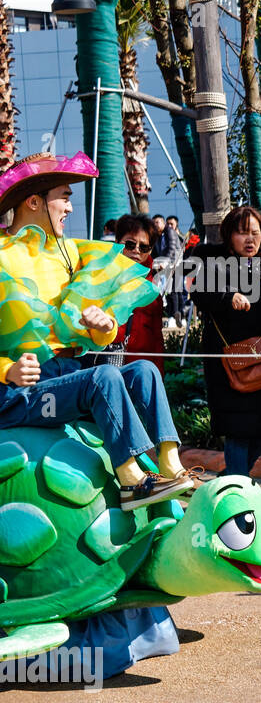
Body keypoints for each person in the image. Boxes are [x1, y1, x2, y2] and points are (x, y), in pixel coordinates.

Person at [0, 151, 193, 509]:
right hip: (18, 395)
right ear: (33, 201)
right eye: (65, 197)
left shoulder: (70, 254)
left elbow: (95, 334)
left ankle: (172, 467)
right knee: (103, 378)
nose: (70, 208)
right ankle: (131, 481)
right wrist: (6, 369)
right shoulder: (2, 255)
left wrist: (102, 327)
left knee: (144, 372)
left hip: (68, 376)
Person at [190, 206, 261, 477]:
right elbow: (198, 293)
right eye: (242, 232)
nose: (250, 239)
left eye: (255, 233)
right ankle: (237, 489)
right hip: (229, 363)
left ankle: (230, 479)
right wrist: (227, 297)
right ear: (229, 235)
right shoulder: (214, 261)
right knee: (238, 430)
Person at [114, 214, 166, 376]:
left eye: (144, 247)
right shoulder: (101, 277)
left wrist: (158, 375)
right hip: (110, 366)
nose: (136, 250)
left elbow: (157, 338)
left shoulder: (151, 289)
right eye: (130, 244)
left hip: (143, 371)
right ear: (118, 242)